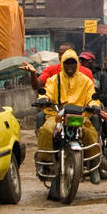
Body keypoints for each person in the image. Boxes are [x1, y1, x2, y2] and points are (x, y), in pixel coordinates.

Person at [37, 49, 102, 183]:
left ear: (77, 64)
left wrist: (94, 104)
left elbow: (92, 96)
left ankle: (93, 166)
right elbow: (46, 93)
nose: (70, 66)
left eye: (73, 63)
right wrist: (43, 98)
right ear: (62, 64)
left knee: (90, 133)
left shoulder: (86, 81)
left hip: (80, 116)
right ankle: (45, 163)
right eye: (67, 63)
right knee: (45, 131)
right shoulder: (53, 80)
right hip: (57, 115)